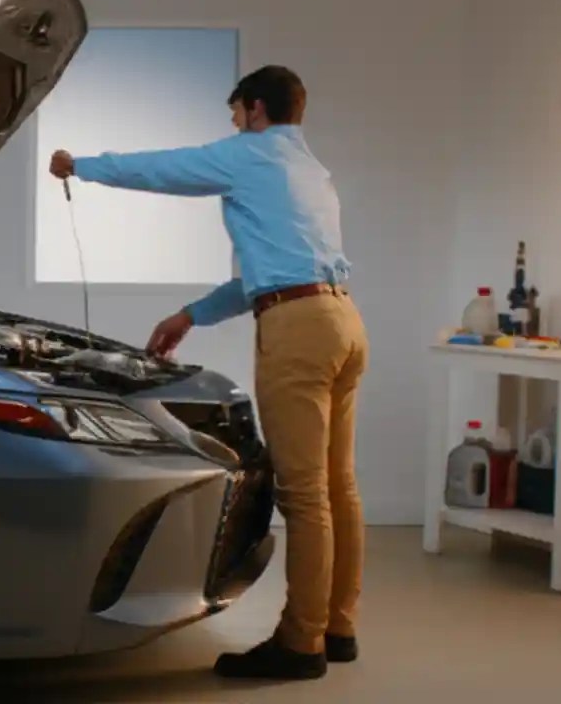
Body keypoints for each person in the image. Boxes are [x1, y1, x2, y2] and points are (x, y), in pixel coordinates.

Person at [49, 65, 369, 681]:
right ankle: (339, 626)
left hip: (298, 332)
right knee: (338, 487)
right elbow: (266, 275)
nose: (233, 127)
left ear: (254, 109)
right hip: (344, 322)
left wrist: (80, 165)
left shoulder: (249, 154)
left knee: (303, 496)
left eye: (235, 115)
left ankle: (301, 644)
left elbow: (164, 169)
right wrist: (190, 315)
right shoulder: (313, 173)